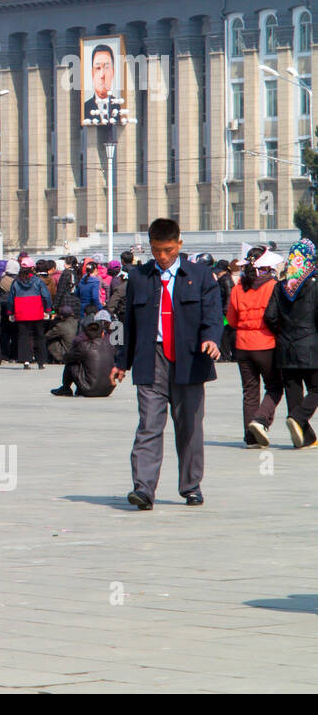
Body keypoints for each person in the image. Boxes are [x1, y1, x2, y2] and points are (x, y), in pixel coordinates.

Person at [112, 218, 223, 509]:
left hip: (190, 361)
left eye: (169, 250)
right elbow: (127, 324)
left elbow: (213, 316)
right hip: (151, 360)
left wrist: (211, 339)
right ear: (150, 247)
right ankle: (144, 489)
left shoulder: (200, 276)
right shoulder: (138, 277)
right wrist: (120, 361)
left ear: (180, 244)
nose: (163, 256)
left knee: (189, 427)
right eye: (157, 250)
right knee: (148, 425)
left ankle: (191, 486)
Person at [263, 240, 318, 449]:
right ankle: (298, 418)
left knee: (292, 389)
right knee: (316, 388)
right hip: (311, 345)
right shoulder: (315, 284)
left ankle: (304, 438)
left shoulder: (281, 286)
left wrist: (283, 332)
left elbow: (270, 316)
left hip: (285, 346)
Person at [230, 250, 283, 447]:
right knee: (275, 386)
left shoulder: (237, 288)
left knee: (250, 391)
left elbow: (232, 319)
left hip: (242, 344)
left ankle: (251, 438)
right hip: (266, 344)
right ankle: (260, 420)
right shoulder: (272, 286)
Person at [53, 310, 117, 397]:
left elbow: (66, 358)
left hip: (89, 389)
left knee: (72, 362)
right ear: (102, 334)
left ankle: (66, 388)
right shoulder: (110, 344)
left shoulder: (84, 346)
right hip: (108, 389)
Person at [5, 257, 51, 370]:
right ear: (32, 268)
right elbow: (46, 296)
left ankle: (26, 360)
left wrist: (10, 312)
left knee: (23, 336)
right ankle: (41, 361)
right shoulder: (38, 281)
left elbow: (10, 299)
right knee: (39, 336)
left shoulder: (16, 282)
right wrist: (48, 309)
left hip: (21, 313)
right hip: (36, 312)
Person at [83, 42, 120, 123]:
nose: (102, 75)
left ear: (113, 72)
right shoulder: (84, 108)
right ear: (92, 73)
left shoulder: (120, 106)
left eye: (106, 67)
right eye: (98, 68)